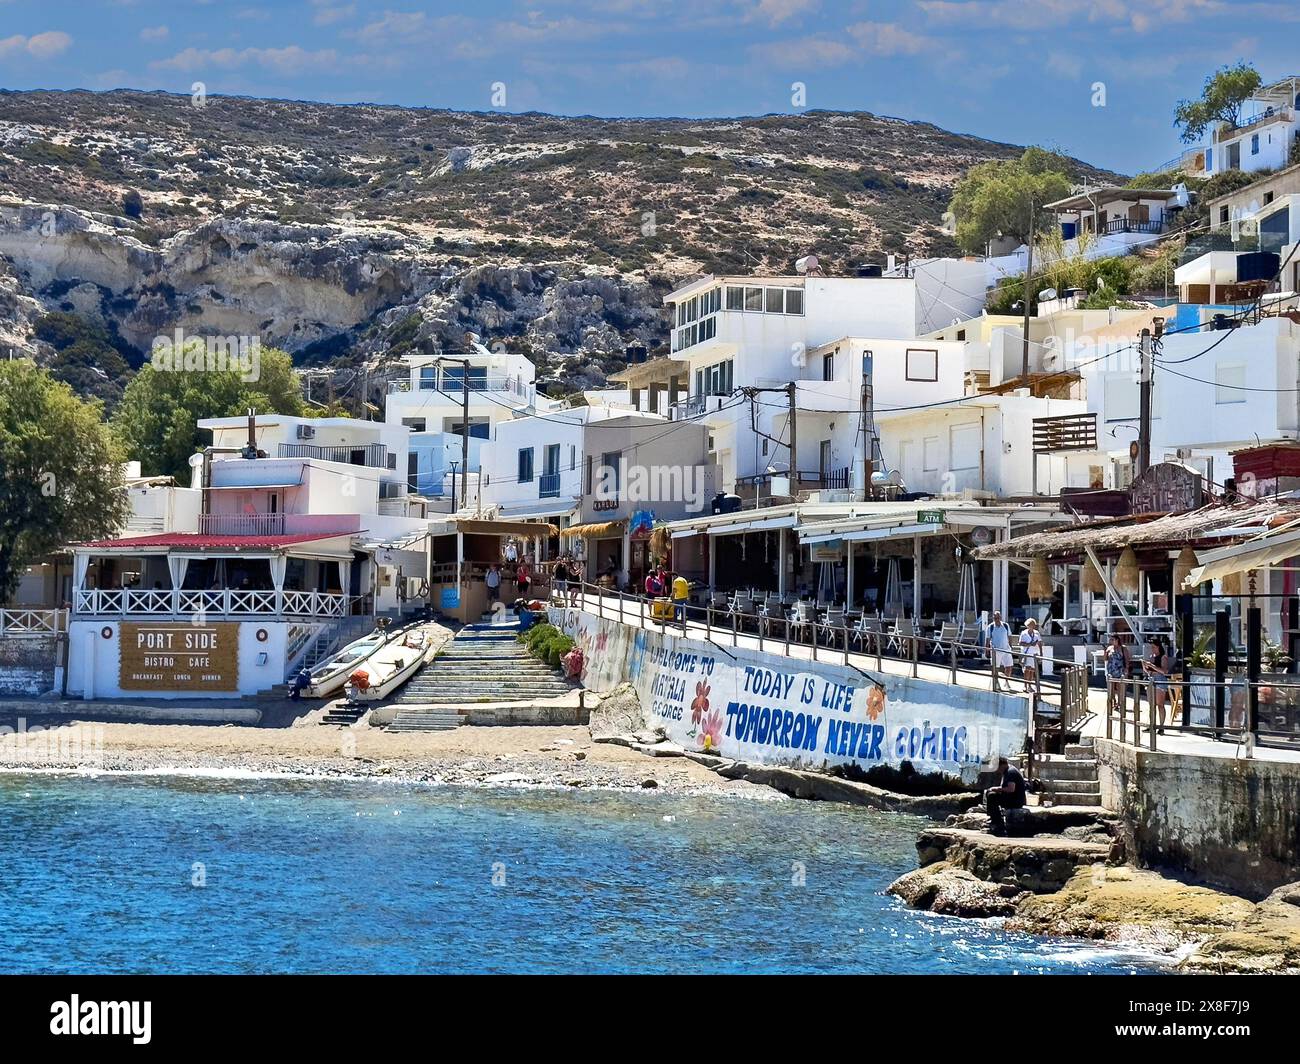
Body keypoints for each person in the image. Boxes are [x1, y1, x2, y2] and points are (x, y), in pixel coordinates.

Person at [984, 755, 1026, 836]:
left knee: (992, 796)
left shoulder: (1011, 772)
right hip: (1011, 797)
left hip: (1015, 800)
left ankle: (997, 822)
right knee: (989, 793)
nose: (997, 770)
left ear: (1002, 765)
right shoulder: (1007, 771)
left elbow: (1011, 789)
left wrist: (998, 789)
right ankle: (993, 818)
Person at [1142, 636, 1170, 727]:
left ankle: (1161, 726)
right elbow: (1149, 671)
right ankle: (1152, 724)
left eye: (1153, 647)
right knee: (1151, 704)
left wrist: (1152, 666)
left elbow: (1164, 671)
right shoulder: (1151, 657)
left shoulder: (1163, 657)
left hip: (1160, 680)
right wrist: (1145, 666)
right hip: (1151, 678)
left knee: (1160, 704)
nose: (1152, 649)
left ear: (1158, 647)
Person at [1104, 633, 1129, 716]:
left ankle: (1119, 703)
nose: (1112, 641)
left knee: (1119, 687)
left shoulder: (1123, 648)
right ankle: (1113, 701)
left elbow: (1126, 659)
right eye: (1111, 640)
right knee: (1111, 688)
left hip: (1120, 669)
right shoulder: (1109, 648)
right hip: (1111, 670)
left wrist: (1126, 669)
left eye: (1113, 639)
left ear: (1117, 640)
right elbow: (1105, 659)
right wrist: (1105, 653)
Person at [987, 610, 1013, 685]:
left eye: (998, 617)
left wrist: (1010, 646)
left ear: (1000, 617)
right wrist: (987, 650)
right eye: (995, 618)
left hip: (1006, 649)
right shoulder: (990, 627)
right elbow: (988, 639)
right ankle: (996, 682)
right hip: (996, 650)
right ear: (993, 618)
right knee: (996, 667)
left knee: (1009, 666)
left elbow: (1010, 636)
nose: (997, 619)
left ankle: (1006, 681)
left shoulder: (1006, 625)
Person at [1018, 617, 1043, 692]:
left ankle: (1029, 685)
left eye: (1033, 624)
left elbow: (1039, 643)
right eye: (1030, 624)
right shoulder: (1024, 633)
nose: (1032, 626)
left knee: (1032, 670)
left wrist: (1041, 653)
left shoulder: (1036, 633)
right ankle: (1025, 685)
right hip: (1027, 653)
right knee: (1027, 669)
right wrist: (1029, 644)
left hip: (1034, 653)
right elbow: (1020, 643)